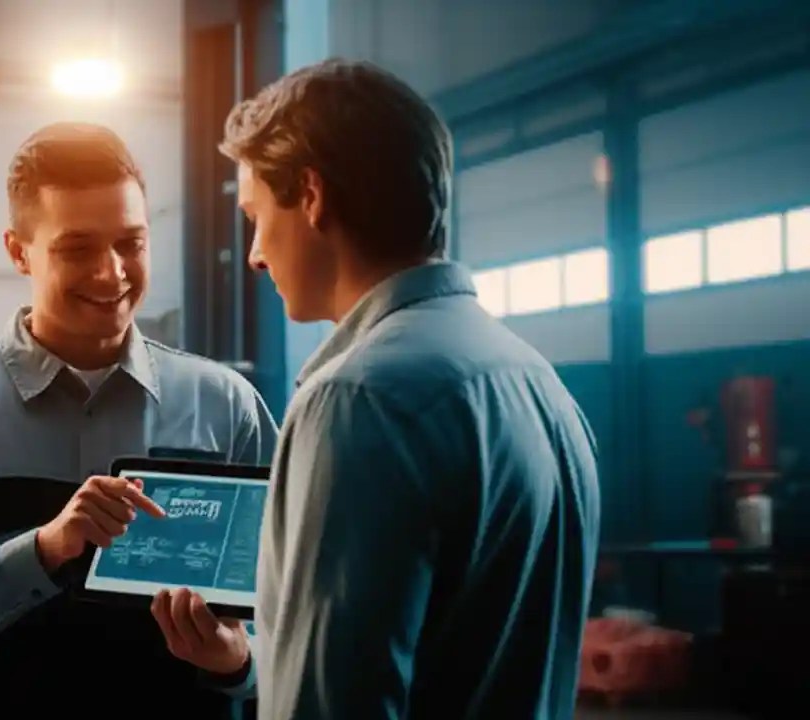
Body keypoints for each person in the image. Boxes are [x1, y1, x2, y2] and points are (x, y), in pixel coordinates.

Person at [154, 59, 602, 718]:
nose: (254, 253)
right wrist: (252, 661)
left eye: (256, 215)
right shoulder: (541, 386)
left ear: (311, 196)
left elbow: (333, 704)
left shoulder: (359, 400)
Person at [0, 121, 279, 720]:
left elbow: (294, 600)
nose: (112, 273)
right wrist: (45, 549)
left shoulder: (225, 406)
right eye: (78, 249)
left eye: (131, 243)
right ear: (17, 249)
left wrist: (239, 662)